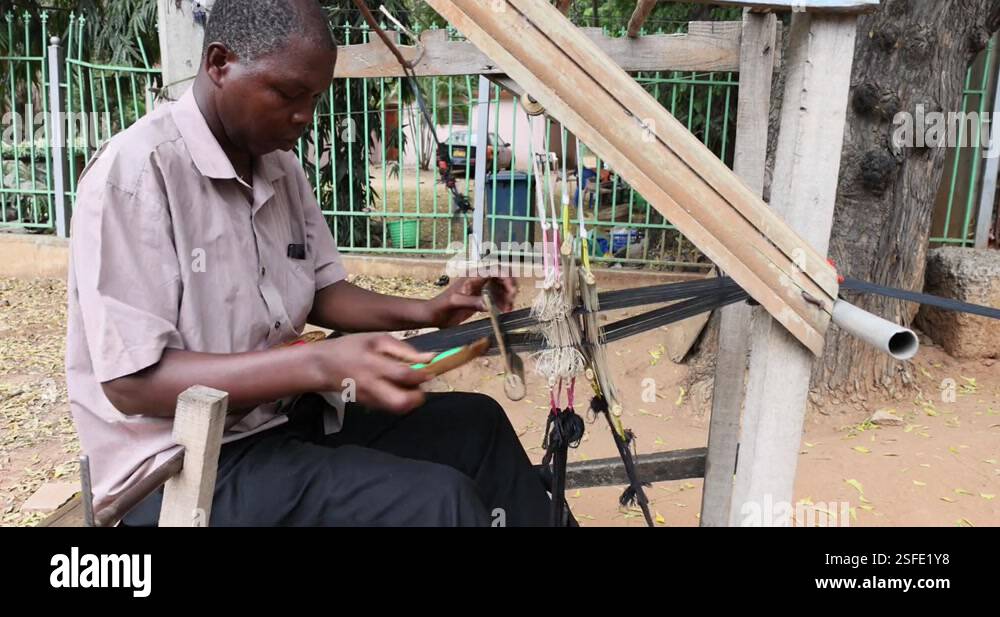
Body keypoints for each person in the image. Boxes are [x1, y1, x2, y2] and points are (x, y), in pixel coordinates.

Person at [65, 0, 552, 526]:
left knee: (477, 427)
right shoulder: (137, 175)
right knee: (438, 502)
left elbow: (321, 291)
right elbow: (131, 384)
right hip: (179, 469)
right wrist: (320, 364)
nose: (304, 116)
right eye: (288, 94)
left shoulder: (278, 168)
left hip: (278, 423)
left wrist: (431, 310)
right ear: (219, 63)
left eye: (315, 98)